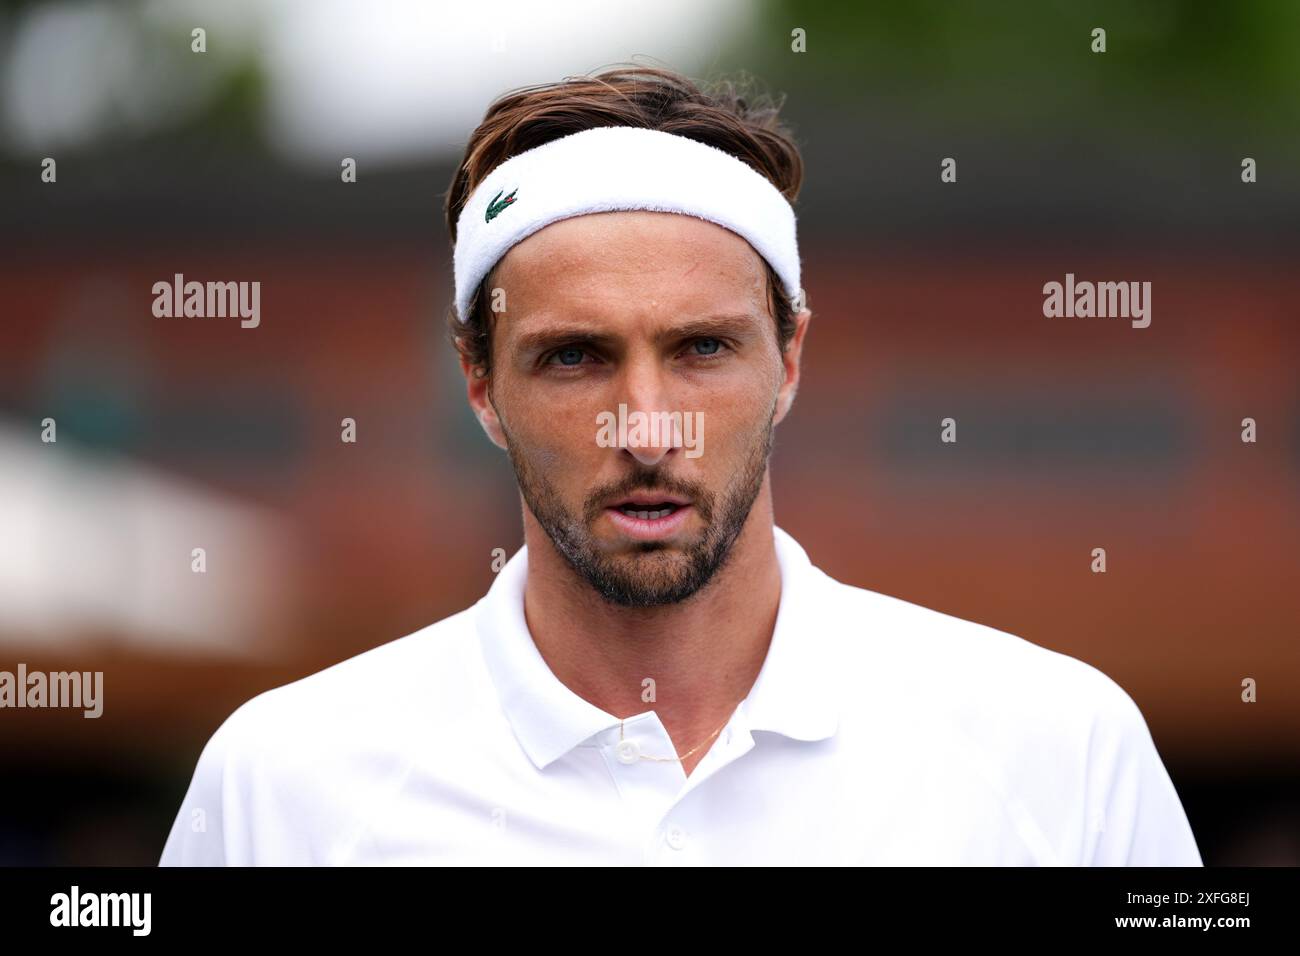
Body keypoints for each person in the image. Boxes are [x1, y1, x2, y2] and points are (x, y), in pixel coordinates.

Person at [159, 66, 1202, 865]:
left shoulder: (1060, 751)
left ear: (788, 358)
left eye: (702, 348)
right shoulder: (283, 783)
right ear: (478, 381)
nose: (649, 428)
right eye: (574, 357)